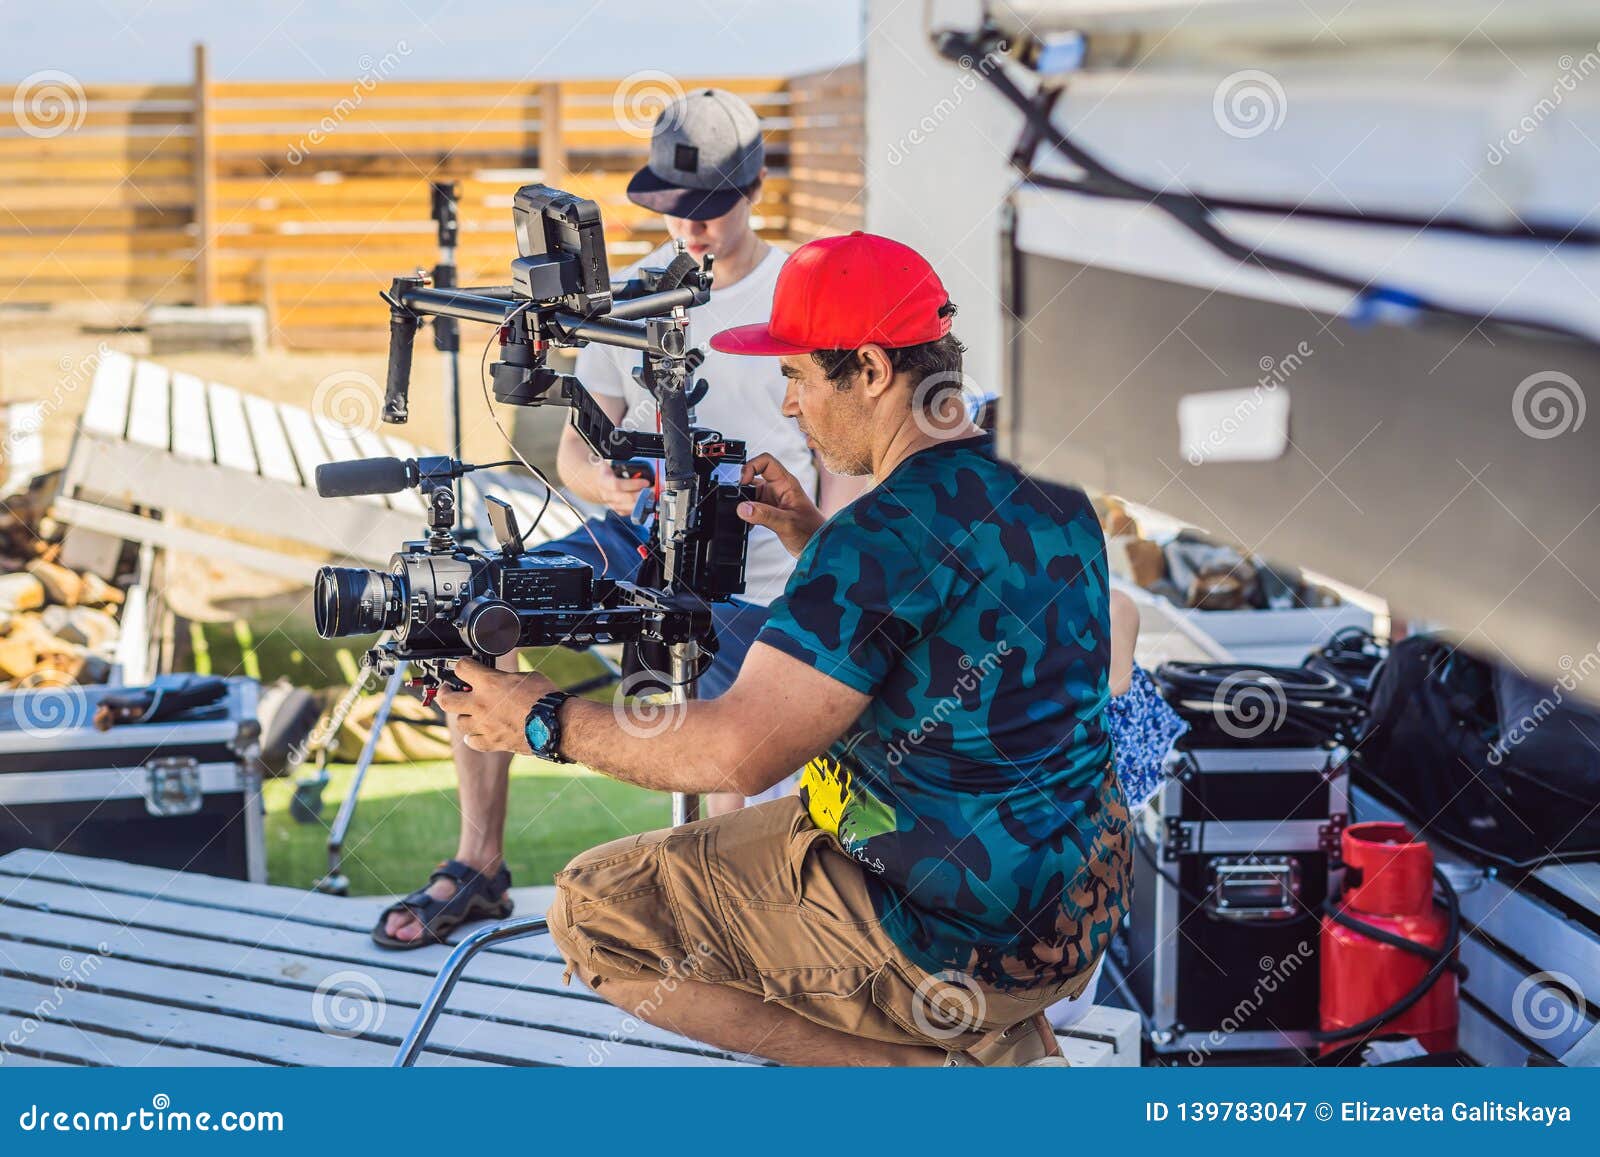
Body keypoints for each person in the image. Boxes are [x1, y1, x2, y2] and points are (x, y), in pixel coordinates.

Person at [438, 232, 1134, 1066]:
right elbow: (949, 620)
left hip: (943, 930)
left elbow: (739, 750)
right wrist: (815, 539)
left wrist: (540, 718)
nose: (792, 405)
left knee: (597, 910)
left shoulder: (878, 538)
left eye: (798, 376)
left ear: (873, 369)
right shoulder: (1049, 483)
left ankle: (927, 1073)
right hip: (1076, 906)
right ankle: (1001, 1039)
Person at [373, 88, 862, 950]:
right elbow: (573, 452)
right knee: (470, 602)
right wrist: (608, 484)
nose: (694, 231)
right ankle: (480, 863)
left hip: (766, 573)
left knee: (722, 698)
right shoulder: (632, 294)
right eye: (676, 212)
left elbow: (845, 485)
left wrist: (810, 563)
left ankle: (735, 920)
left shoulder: (800, 295)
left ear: (753, 191)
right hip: (637, 537)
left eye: (711, 211)